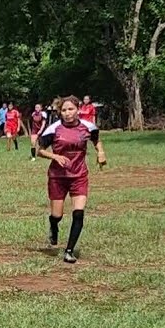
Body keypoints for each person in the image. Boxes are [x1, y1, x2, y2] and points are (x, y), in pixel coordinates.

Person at [37, 97, 107, 264]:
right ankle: (53, 226)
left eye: (71, 109)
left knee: (78, 213)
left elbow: (96, 140)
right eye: (64, 110)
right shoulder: (53, 129)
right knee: (57, 215)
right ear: (60, 112)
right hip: (58, 177)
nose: (67, 113)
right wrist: (55, 156)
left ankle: (69, 251)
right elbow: (39, 151)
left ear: (78, 109)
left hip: (79, 175)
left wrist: (101, 152)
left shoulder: (88, 127)